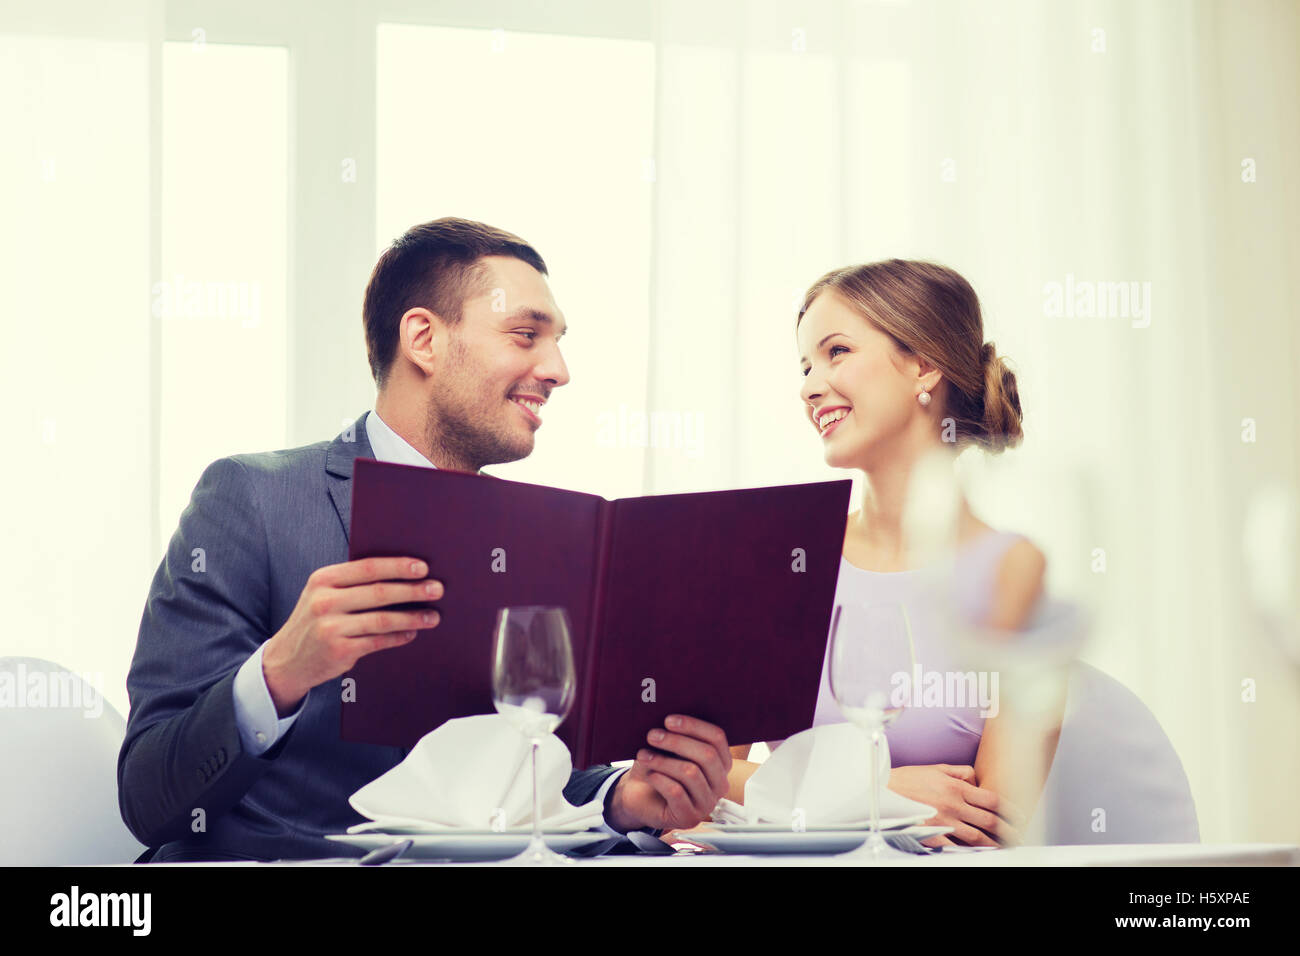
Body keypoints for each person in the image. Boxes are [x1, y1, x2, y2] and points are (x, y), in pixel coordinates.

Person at [118, 218, 732, 861]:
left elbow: (530, 767)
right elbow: (148, 797)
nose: (558, 370)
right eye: (527, 334)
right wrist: (279, 672)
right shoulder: (252, 499)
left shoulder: (536, 538)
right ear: (424, 339)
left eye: (557, 342)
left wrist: (624, 798)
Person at [725, 259, 1059, 848]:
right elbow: (697, 782)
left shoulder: (1013, 574)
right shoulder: (781, 563)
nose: (808, 385)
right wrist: (876, 792)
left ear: (923, 364)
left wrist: (800, 795)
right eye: (805, 365)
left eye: (836, 352)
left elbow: (990, 822)